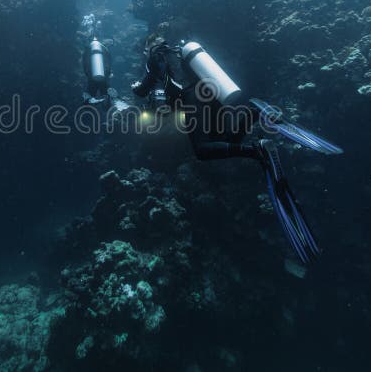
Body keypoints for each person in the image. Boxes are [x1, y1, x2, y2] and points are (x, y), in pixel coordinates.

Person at [131, 38, 342, 263]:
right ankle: (253, 113)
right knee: (223, 139)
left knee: (203, 150)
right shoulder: (179, 53)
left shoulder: (154, 55)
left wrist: (138, 86)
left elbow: (143, 90)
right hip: (211, 92)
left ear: (148, 45)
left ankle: (256, 151)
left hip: (192, 96)